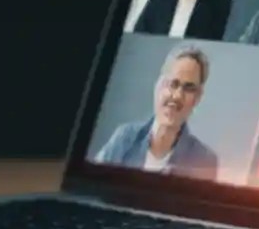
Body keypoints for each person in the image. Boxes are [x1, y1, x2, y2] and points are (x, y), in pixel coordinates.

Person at [93, 44, 219, 180]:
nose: (177, 96)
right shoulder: (125, 138)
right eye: (173, 84)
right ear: (158, 86)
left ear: (197, 97)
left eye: (189, 88)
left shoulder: (204, 161)